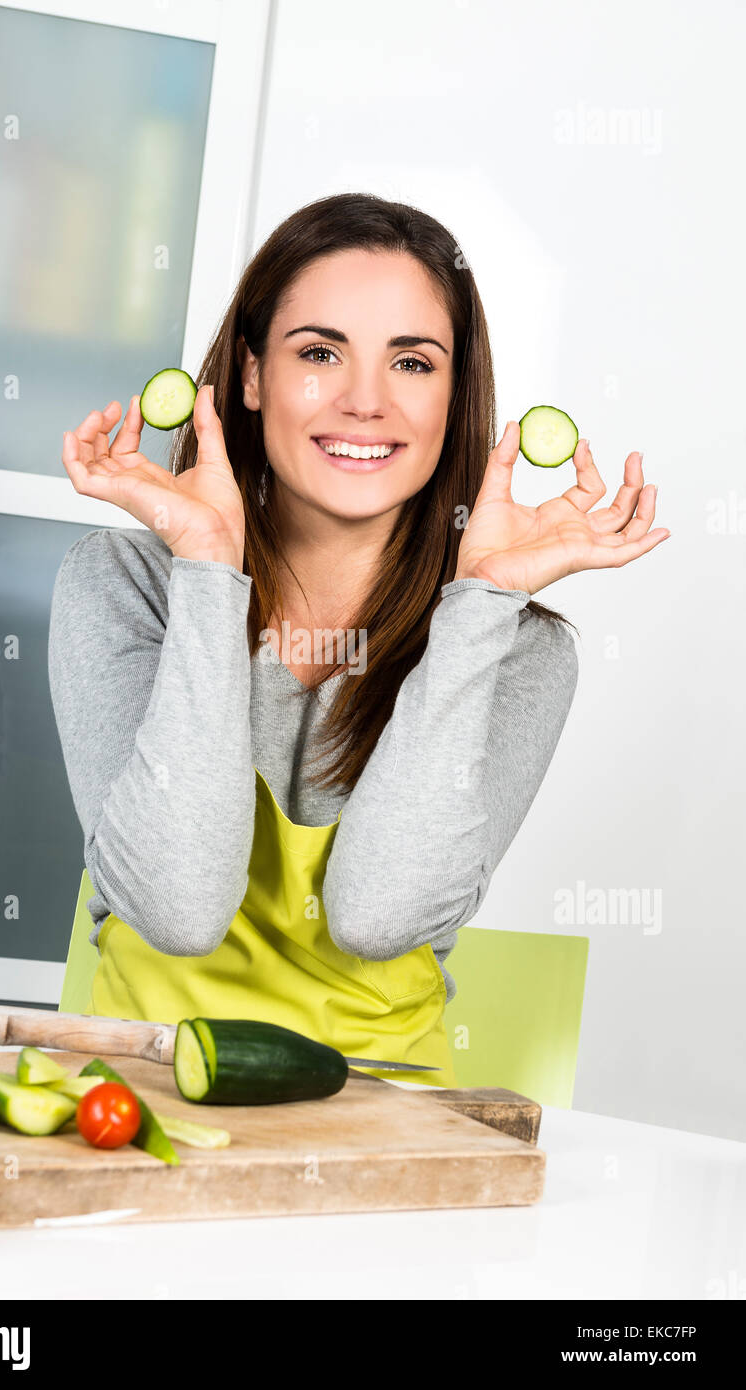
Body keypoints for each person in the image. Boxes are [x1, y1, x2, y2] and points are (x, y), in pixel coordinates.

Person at [48, 193, 669, 1088]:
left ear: (454, 398)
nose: (366, 401)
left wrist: (479, 603)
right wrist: (209, 571)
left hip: (382, 1122)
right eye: (319, 352)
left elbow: (377, 916)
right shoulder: (125, 585)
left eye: (412, 362)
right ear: (252, 377)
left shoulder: (515, 648)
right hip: (131, 1102)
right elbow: (179, 909)